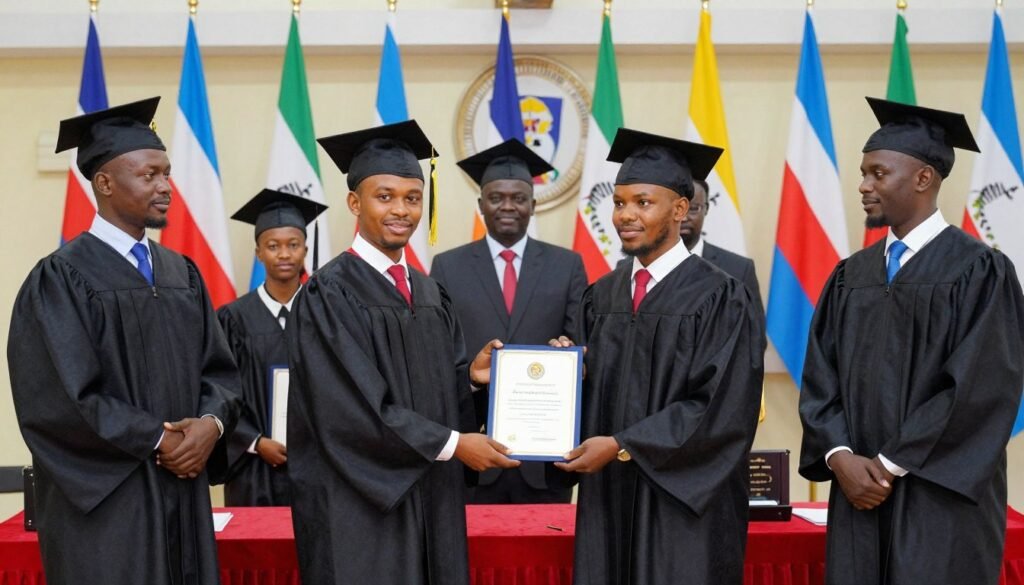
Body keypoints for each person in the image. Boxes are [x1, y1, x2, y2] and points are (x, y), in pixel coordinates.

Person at [7, 97, 241, 585]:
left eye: (166, 173)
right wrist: (161, 438)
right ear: (106, 183)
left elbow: (220, 371)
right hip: (110, 504)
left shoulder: (183, 273)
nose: (164, 187)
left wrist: (210, 427)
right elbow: (63, 400)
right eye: (149, 175)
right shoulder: (62, 278)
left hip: (184, 488)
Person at [799, 98, 1024, 585]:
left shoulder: (979, 271)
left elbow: (979, 390)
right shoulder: (850, 275)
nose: (863, 185)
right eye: (863, 173)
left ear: (923, 178)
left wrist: (885, 466)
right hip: (855, 493)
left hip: (937, 497)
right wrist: (840, 458)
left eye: (878, 173)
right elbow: (820, 376)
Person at [287, 120, 520, 585]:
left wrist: (470, 379)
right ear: (355, 202)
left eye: (413, 198)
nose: (402, 210)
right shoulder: (328, 295)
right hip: (362, 507)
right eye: (385, 196)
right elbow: (350, 411)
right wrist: (454, 445)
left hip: (432, 496)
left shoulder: (431, 294)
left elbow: (431, 396)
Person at [553, 128, 764, 584]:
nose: (625, 215)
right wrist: (569, 373)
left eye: (643, 203)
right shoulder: (602, 295)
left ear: (680, 209)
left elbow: (720, 409)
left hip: (683, 506)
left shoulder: (721, 296)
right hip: (609, 494)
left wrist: (624, 445)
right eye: (620, 202)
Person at [432, 138, 587, 504]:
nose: (507, 206)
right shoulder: (447, 267)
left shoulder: (567, 266)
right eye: (496, 197)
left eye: (518, 198)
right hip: (474, 453)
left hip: (546, 457)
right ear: (480, 204)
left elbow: (580, 342)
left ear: (533, 206)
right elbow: (438, 355)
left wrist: (569, 354)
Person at [216, 189, 327, 506]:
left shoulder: (324, 316)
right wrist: (253, 441)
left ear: (305, 250)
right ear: (258, 252)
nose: (284, 254)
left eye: (293, 245)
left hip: (316, 466)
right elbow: (220, 390)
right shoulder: (232, 319)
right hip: (252, 470)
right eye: (273, 246)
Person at [680, 177, 763, 316]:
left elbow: (753, 334)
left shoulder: (739, 269)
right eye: (678, 209)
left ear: (706, 209)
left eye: (693, 208)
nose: (684, 217)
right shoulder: (645, 266)